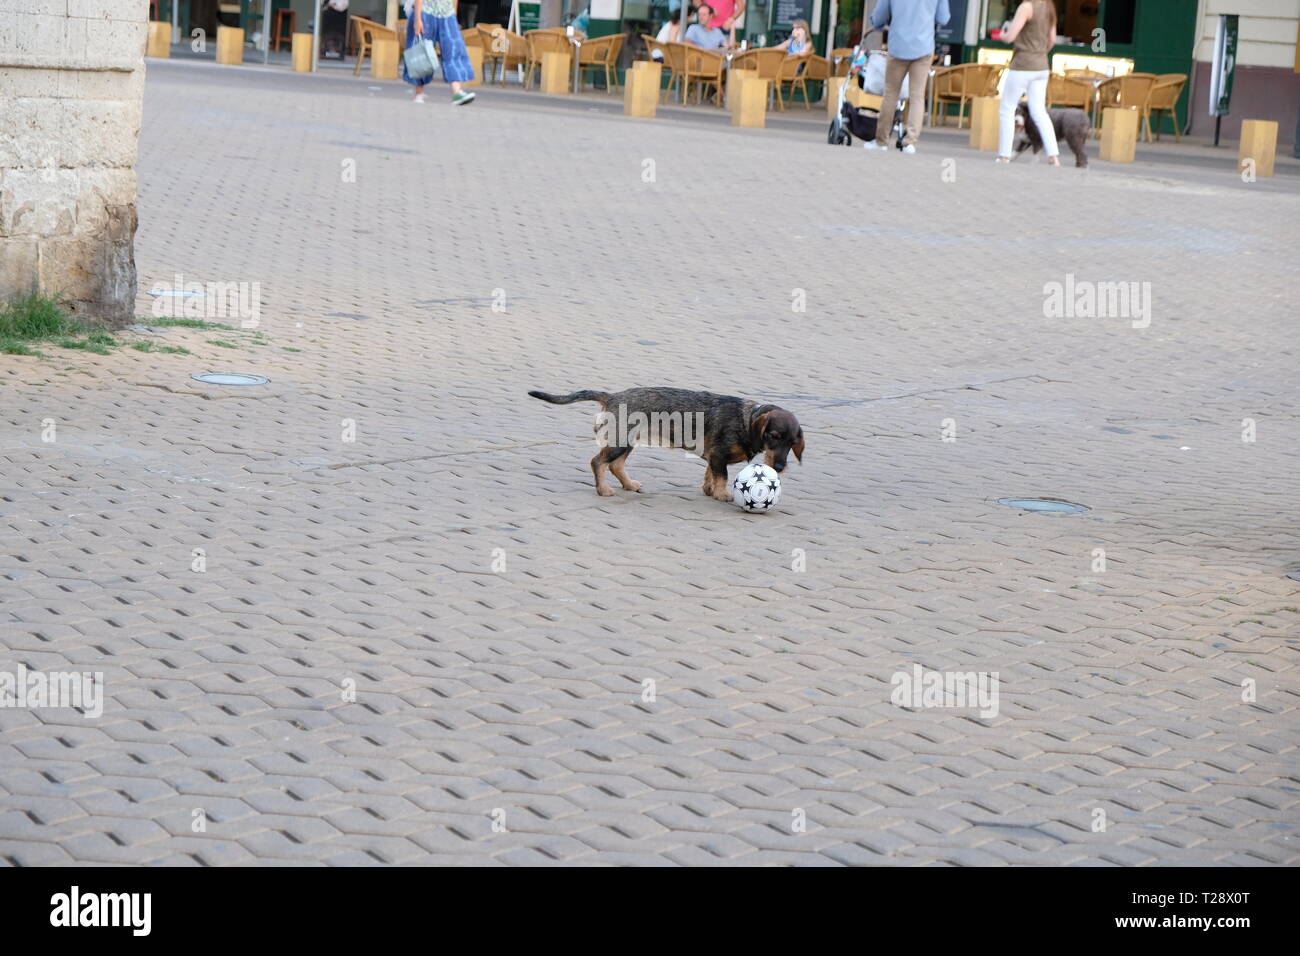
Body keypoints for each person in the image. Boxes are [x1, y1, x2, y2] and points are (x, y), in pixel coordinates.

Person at [862, 0, 950, 153]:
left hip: (898, 46)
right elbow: (943, 18)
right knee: (917, 96)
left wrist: (877, 24)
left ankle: (881, 141)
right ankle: (910, 142)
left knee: (891, 94)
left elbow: (879, 16)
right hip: (923, 47)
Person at [996, 0, 1060, 165]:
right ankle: (1053, 156)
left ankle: (1004, 156)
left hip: (1022, 64)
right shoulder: (1049, 7)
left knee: (1007, 109)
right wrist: (1039, 52)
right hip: (1041, 66)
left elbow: (1010, 37)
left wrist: (1001, 35)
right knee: (1039, 111)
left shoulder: (1026, 7)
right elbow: (1052, 40)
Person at [402, 0, 476, 106]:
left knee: (453, 50)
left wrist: (454, 14)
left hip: (447, 13)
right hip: (425, 12)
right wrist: (418, 19)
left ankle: (457, 92)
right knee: (421, 52)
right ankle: (419, 93)